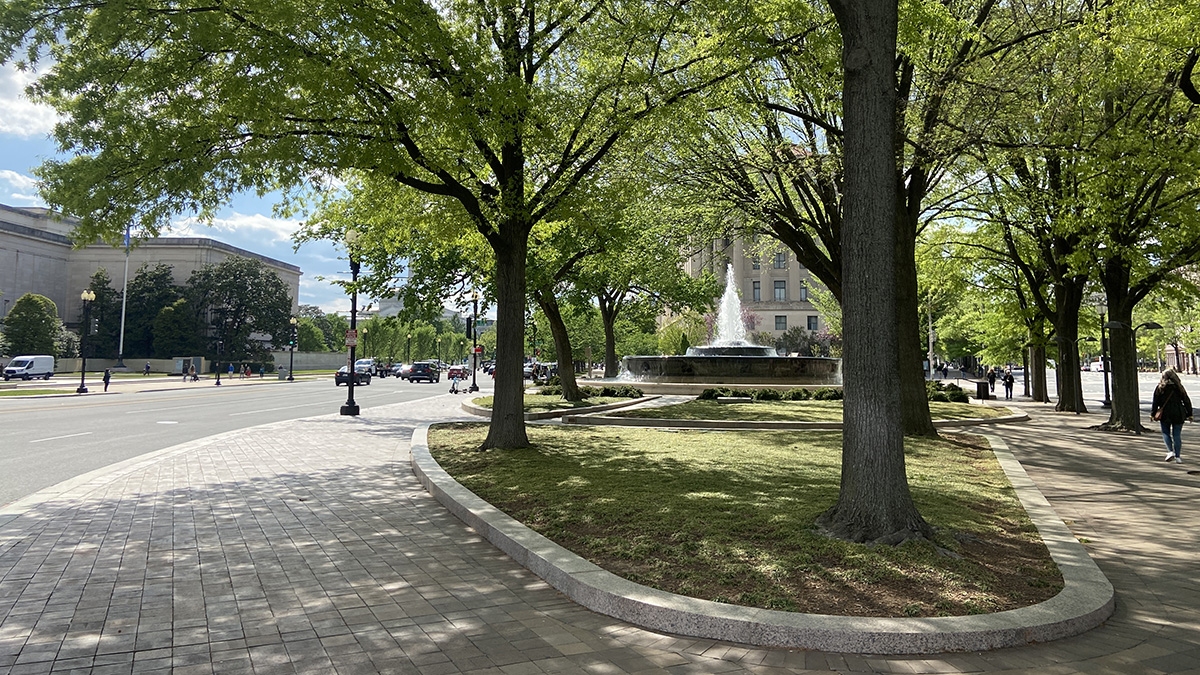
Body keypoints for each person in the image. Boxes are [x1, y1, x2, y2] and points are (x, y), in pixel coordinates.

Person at [1151, 368, 1193, 464]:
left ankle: (1170, 452)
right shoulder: (1179, 387)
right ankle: (1178, 457)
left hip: (1165, 413)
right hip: (1178, 413)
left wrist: (1153, 414)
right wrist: (1190, 414)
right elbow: (1186, 400)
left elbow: (1155, 402)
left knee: (1166, 433)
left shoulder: (1160, 388)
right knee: (1177, 435)